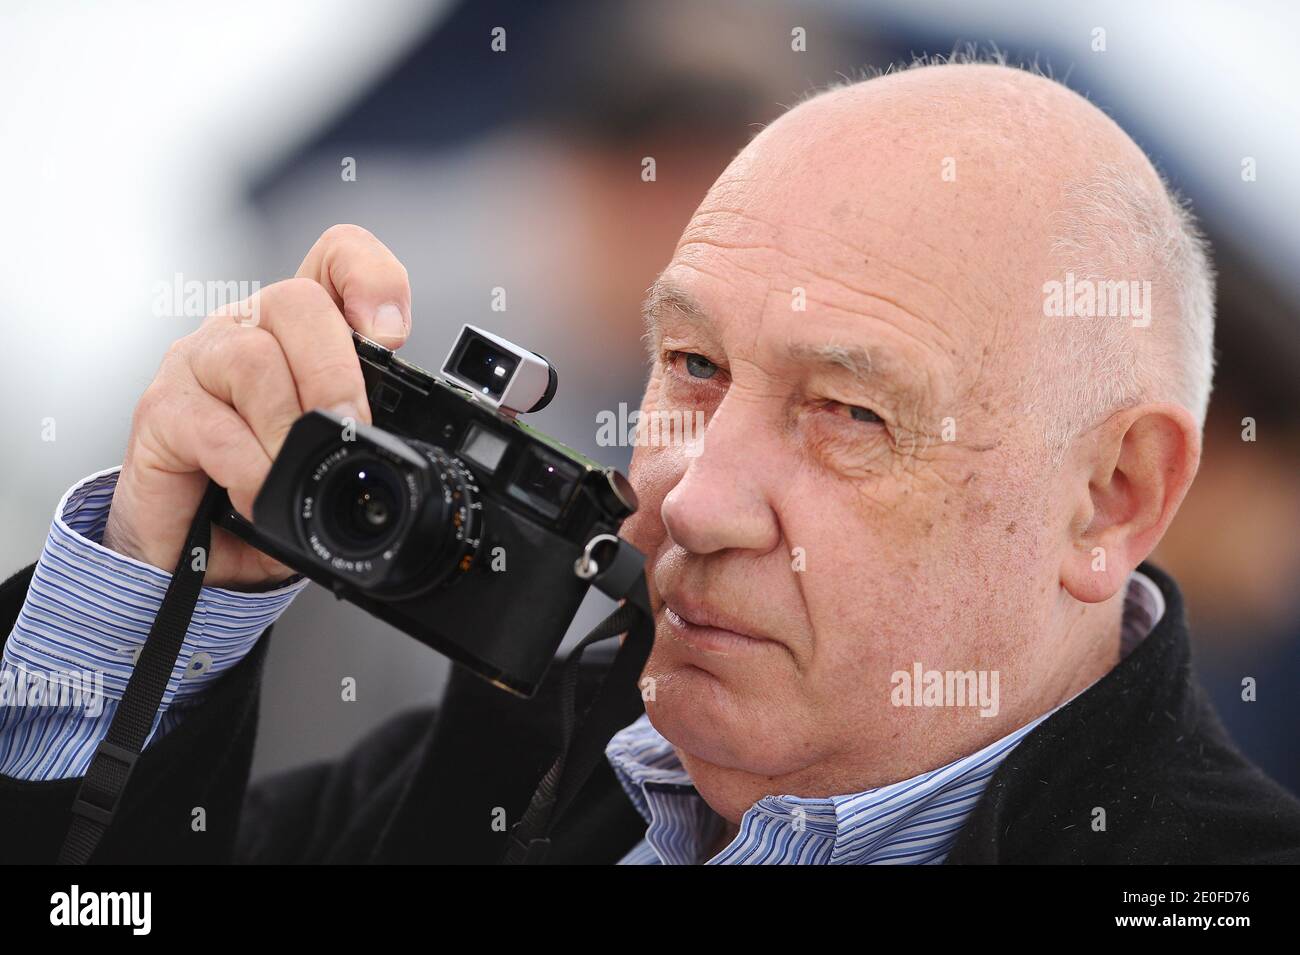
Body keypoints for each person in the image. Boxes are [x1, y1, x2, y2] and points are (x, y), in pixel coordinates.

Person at [3, 62, 1298, 864]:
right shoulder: (484, 776)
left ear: (1111, 498)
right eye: (690, 369)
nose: (691, 492)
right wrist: (147, 592)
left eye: (848, 412)